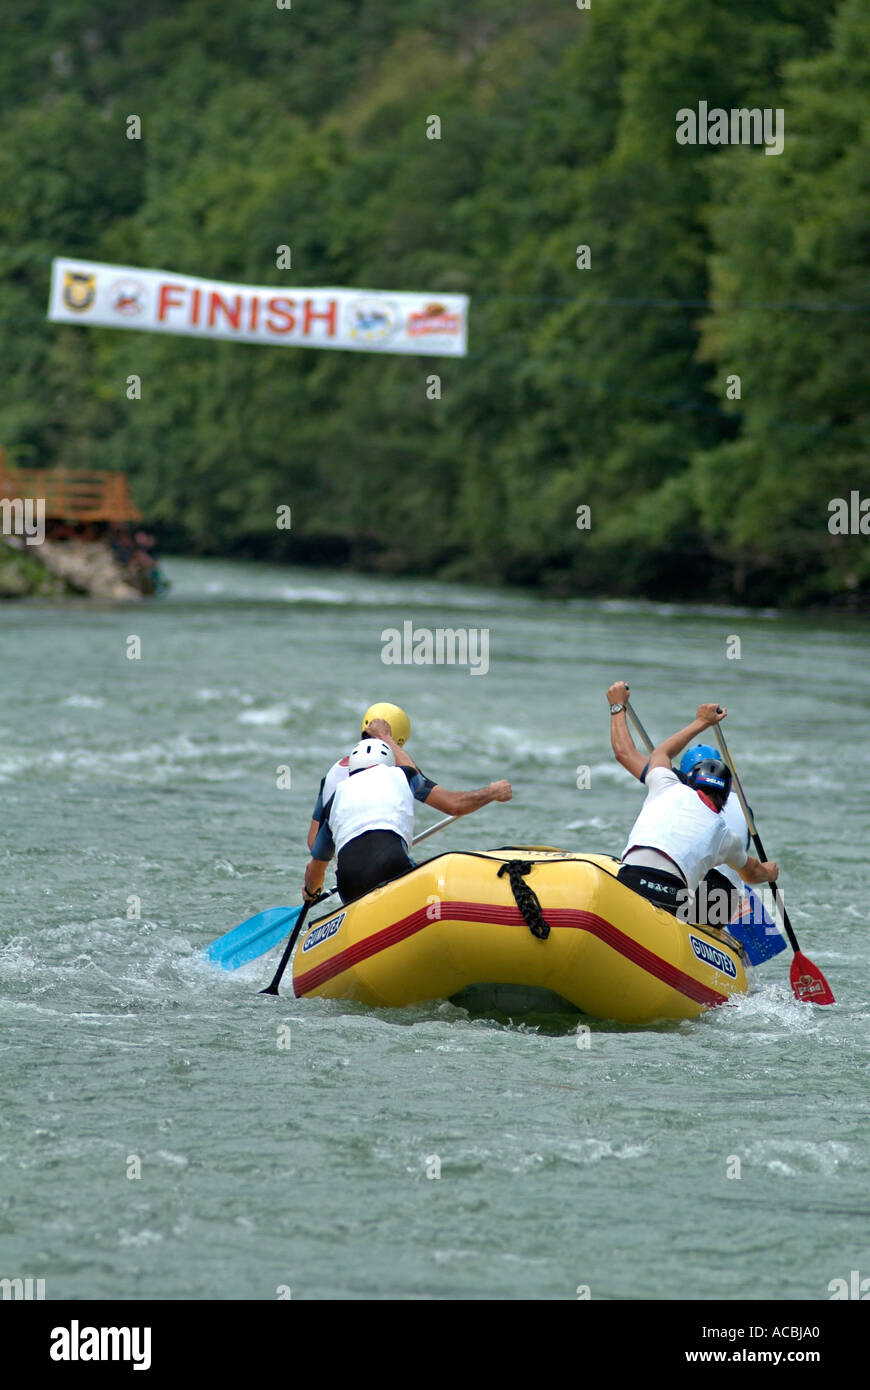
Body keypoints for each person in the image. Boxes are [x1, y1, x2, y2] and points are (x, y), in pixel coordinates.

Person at [607, 681, 754, 924]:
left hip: (676, 882)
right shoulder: (741, 805)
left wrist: (616, 706)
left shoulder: (671, 787)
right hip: (723, 895)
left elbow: (624, 753)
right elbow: (748, 865)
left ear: (686, 776)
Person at [303, 738, 512, 905]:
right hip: (392, 868)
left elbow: (315, 872)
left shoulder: (335, 799)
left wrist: (311, 893)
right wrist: (492, 792)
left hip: (348, 890)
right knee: (436, 868)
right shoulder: (403, 774)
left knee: (413, 866)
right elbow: (455, 805)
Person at [306, 702, 415, 852]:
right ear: (400, 741)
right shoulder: (396, 775)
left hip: (343, 866)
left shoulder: (333, 772)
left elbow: (313, 842)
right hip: (386, 861)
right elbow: (420, 782)